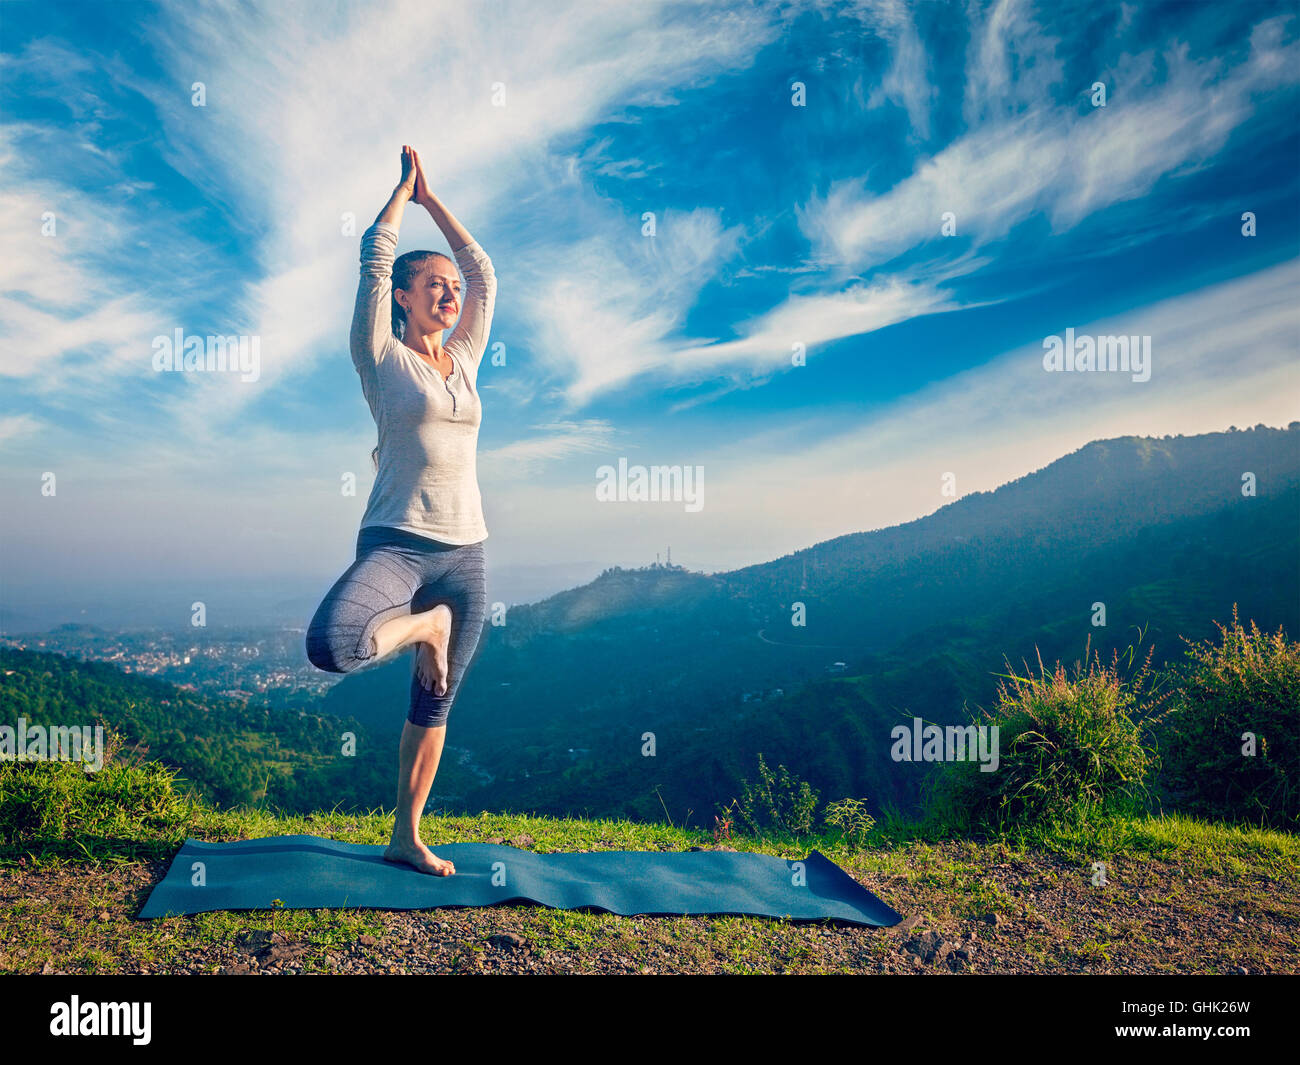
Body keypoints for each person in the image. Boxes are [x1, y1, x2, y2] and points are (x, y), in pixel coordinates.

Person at [306, 146, 496, 876]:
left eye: (452, 288)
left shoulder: (467, 360)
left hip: (468, 552)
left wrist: (437, 200)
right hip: (397, 544)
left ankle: (405, 835)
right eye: (435, 286)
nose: (451, 294)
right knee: (333, 642)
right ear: (405, 298)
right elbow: (374, 259)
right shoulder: (381, 356)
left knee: (434, 702)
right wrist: (401, 196)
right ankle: (427, 626)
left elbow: (485, 273)